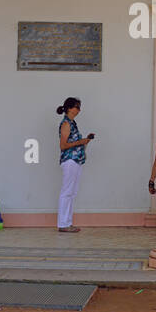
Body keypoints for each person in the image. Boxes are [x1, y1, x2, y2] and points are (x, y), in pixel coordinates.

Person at [56, 97, 94, 233]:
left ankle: (67, 222)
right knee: (67, 192)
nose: (79, 110)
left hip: (76, 160)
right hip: (70, 160)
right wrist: (80, 142)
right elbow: (63, 145)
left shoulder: (72, 123)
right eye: (77, 107)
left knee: (72, 192)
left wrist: (85, 141)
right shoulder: (66, 124)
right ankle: (63, 223)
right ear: (69, 108)